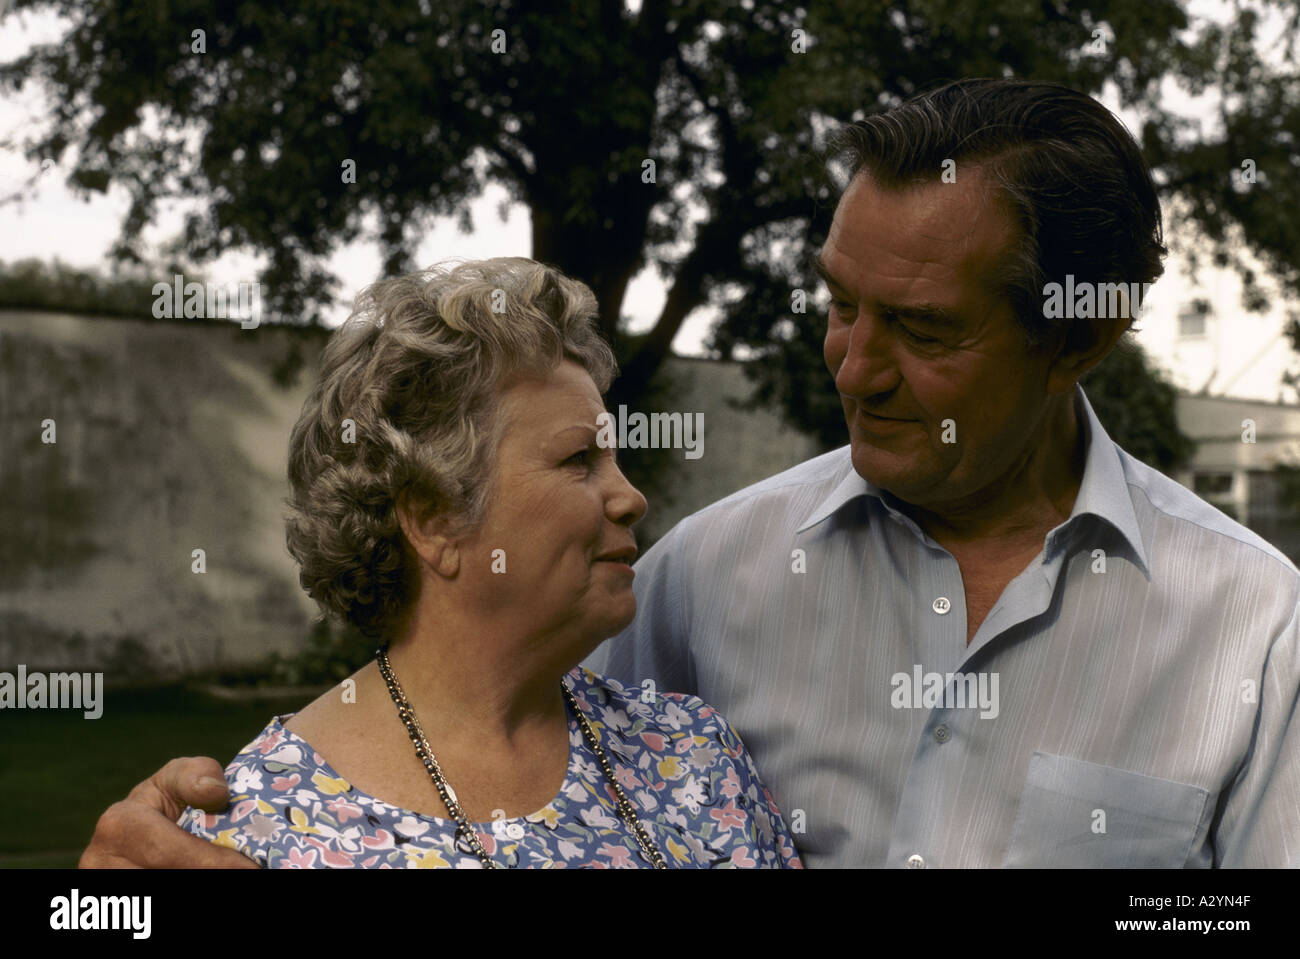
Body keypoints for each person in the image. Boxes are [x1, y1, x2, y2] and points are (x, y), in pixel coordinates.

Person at [81, 78, 1299, 870]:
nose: (852, 365)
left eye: (922, 328)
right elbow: (469, 695)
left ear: (1080, 334)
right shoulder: (701, 579)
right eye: (838, 304)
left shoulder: (1251, 627)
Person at [150, 258, 801, 869]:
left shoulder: (694, 755)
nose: (632, 498)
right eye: (579, 459)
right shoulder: (261, 828)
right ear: (434, 518)